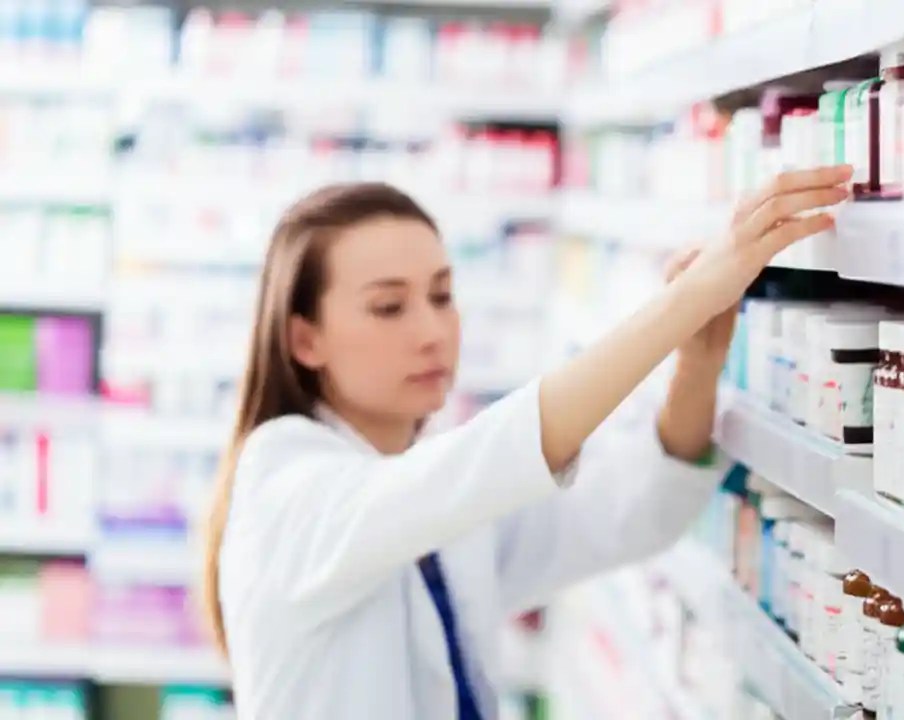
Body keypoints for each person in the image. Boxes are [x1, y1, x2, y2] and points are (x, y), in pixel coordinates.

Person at [202, 165, 853, 719]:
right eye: (388, 306)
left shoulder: (433, 501)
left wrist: (699, 362)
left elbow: (626, 511)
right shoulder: (284, 481)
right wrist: (689, 296)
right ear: (303, 339)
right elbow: (503, 451)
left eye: (442, 295)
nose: (432, 331)